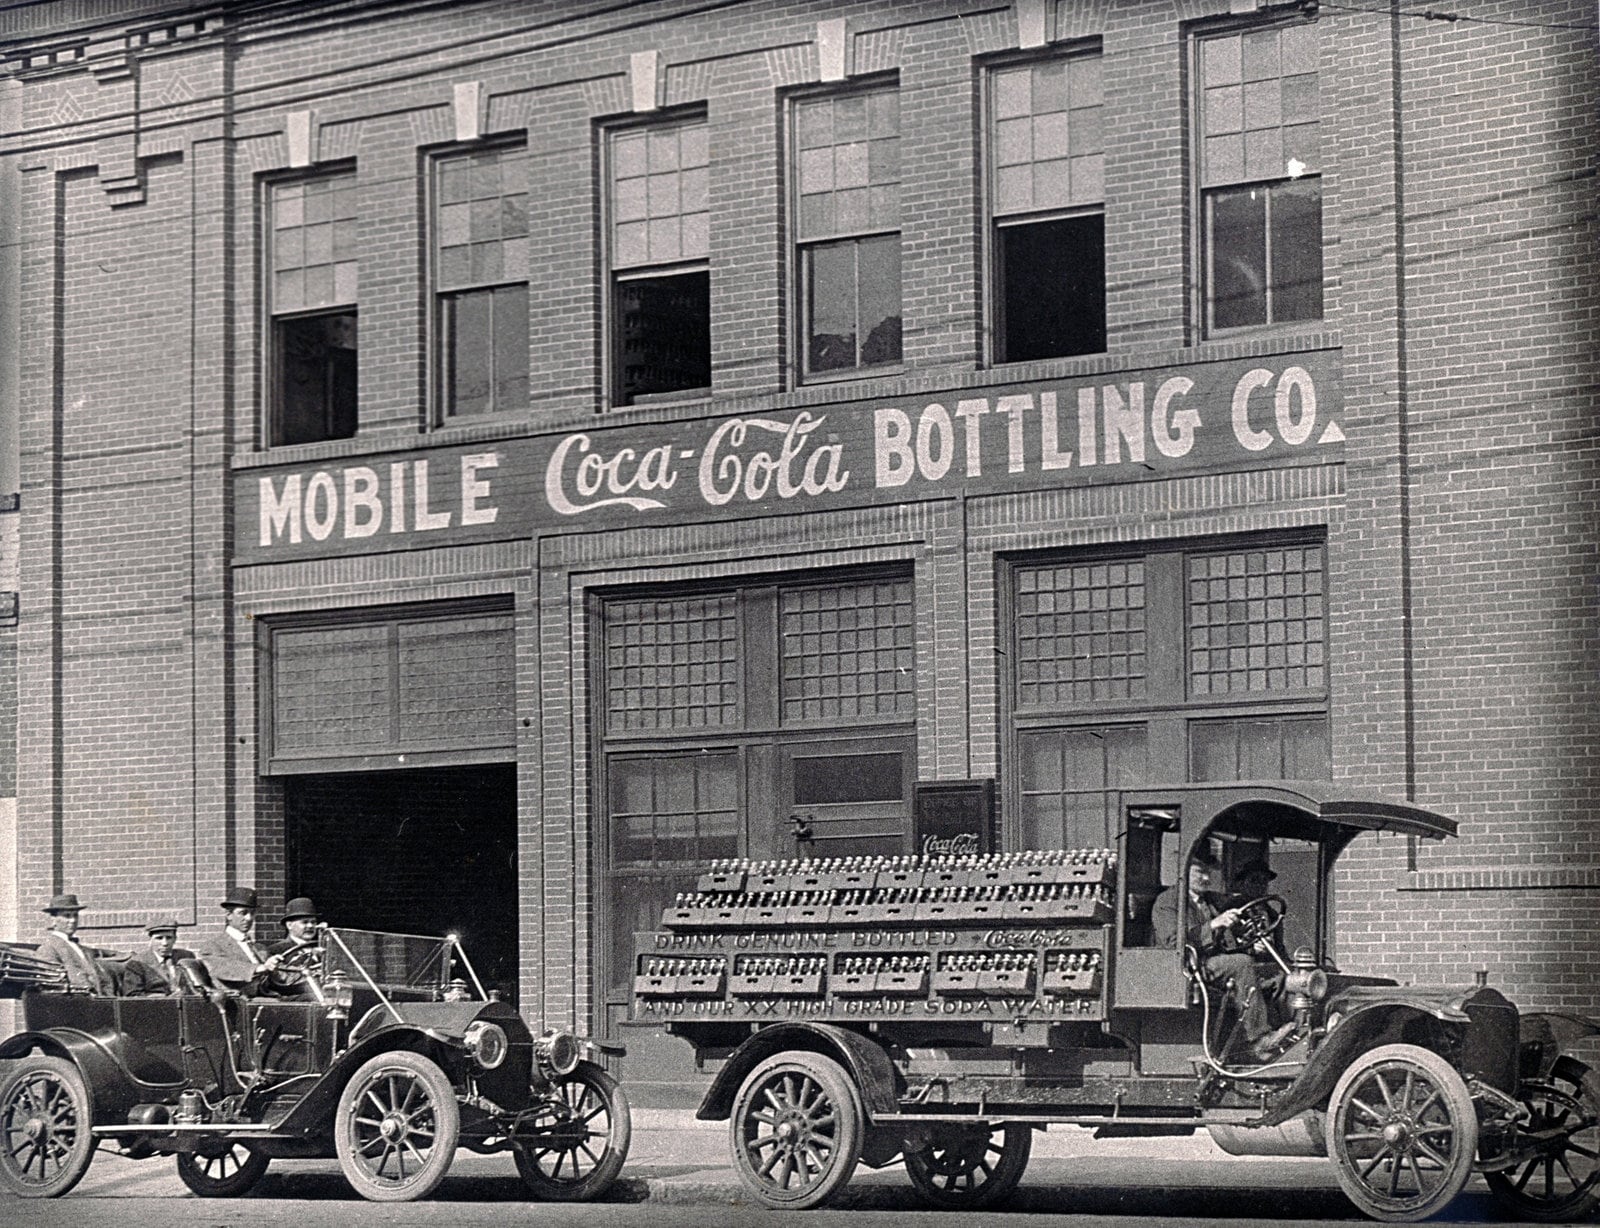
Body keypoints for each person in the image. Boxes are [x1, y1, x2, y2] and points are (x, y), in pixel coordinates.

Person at [1153, 852, 1294, 1061]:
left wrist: (1248, 937)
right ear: (1182, 873)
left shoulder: (1210, 900)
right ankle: (1259, 1040)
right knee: (1241, 964)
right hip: (1188, 965)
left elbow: (1238, 904)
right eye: (1200, 872)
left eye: (1208, 873)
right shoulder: (1167, 902)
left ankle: (1290, 1031)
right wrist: (1213, 924)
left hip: (1214, 962)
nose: (1206, 878)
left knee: (1279, 974)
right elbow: (1173, 943)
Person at [193, 887, 284, 996]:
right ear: (228, 915)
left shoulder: (260, 948)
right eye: (243, 913)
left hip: (268, 996)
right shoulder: (213, 946)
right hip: (238, 1002)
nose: (249, 918)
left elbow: (281, 973)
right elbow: (224, 968)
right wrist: (260, 968)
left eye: (252, 913)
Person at [35, 893, 120, 995]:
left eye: (75, 915)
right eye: (67, 916)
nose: (73, 920)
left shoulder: (80, 948)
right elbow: (53, 985)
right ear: (53, 920)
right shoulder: (48, 949)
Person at [121, 918, 197, 997]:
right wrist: (165, 998)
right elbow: (133, 995)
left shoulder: (186, 957)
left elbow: (199, 986)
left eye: (169, 938)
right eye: (159, 938)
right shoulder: (137, 963)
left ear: (175, 939)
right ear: (150, 940)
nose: (165, 943)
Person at [266, 897, 324, 997]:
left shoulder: (321, 948)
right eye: (304, 922)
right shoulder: (277, 950)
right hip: (294, 1000)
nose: (310, 926)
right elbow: (282, 982)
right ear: (289, 925)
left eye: (313, 922)